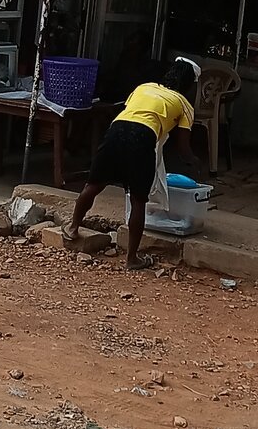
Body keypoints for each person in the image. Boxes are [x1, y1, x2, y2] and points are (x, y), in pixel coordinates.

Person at [64, 57, 201, 270]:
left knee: (93, 185)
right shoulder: (185, 105)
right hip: (143, 138)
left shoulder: (144, 87)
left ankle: (72, 227)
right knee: (138, 200)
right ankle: (132, 259)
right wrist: (194, 162)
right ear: (190, 84)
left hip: (116, 131)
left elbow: (131, 111)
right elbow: (183, 149)